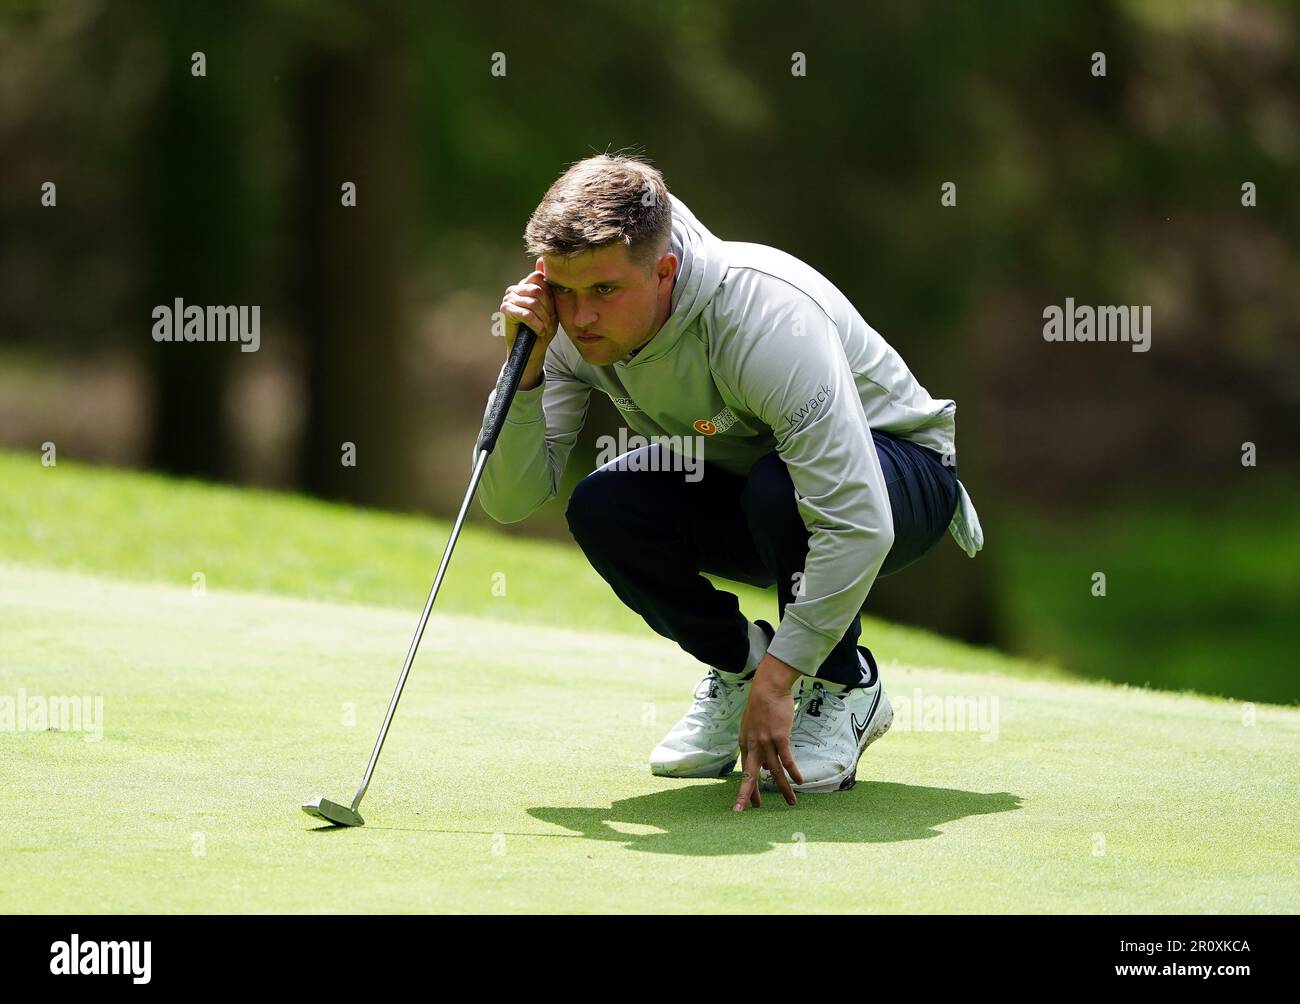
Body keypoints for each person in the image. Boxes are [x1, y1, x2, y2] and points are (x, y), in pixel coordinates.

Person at [475, 153, 983, 813]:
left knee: (781, 487)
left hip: (902, 480)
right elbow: (510, 500)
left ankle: (847, 684)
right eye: (564, 291)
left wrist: (786, 681)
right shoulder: (563, 330)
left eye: (603, 291)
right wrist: (527, 373)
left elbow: (858, 522)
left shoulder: (765, 318)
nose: (581, 316)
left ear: (665, 271)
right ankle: (739, 666)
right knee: (604, 506)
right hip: (754, 487)